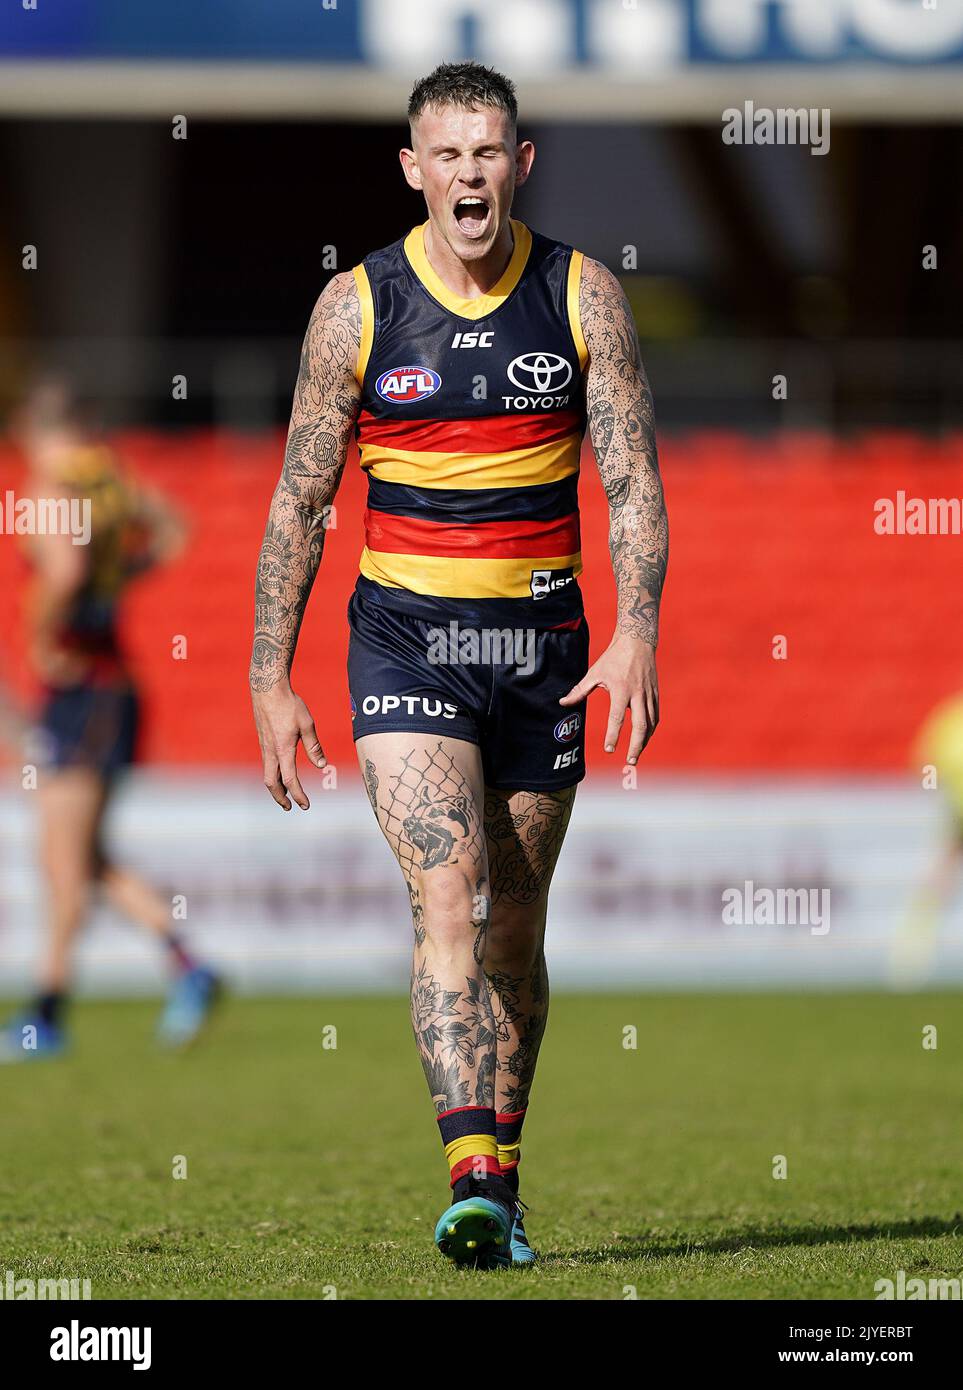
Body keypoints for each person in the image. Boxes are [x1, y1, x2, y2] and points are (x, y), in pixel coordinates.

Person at [249, 62, 667, 1267]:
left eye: (492, 151)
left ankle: (508, 1174)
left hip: (545, 645)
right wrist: (268, 677)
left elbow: (633, 480)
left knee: (513, 927)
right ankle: (469, 1171)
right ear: (414, 168)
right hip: (407, 639)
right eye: (450, 153)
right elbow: (299, 501)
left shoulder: (583, 295)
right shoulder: (357, 306)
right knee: (447, 889)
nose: (471, 173)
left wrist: (637, 625)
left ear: (519, 164)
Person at [0, 379, 219, 1060]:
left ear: (35, 433)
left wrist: (41, 636)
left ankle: (47, 1013)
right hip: (112, 686)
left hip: (82, 690)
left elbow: (62, 575)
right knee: (81, 857)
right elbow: (176, 529)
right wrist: (120, 580)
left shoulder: (48, 489)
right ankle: (187, 964)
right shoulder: (112, 485)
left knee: (62, 862)